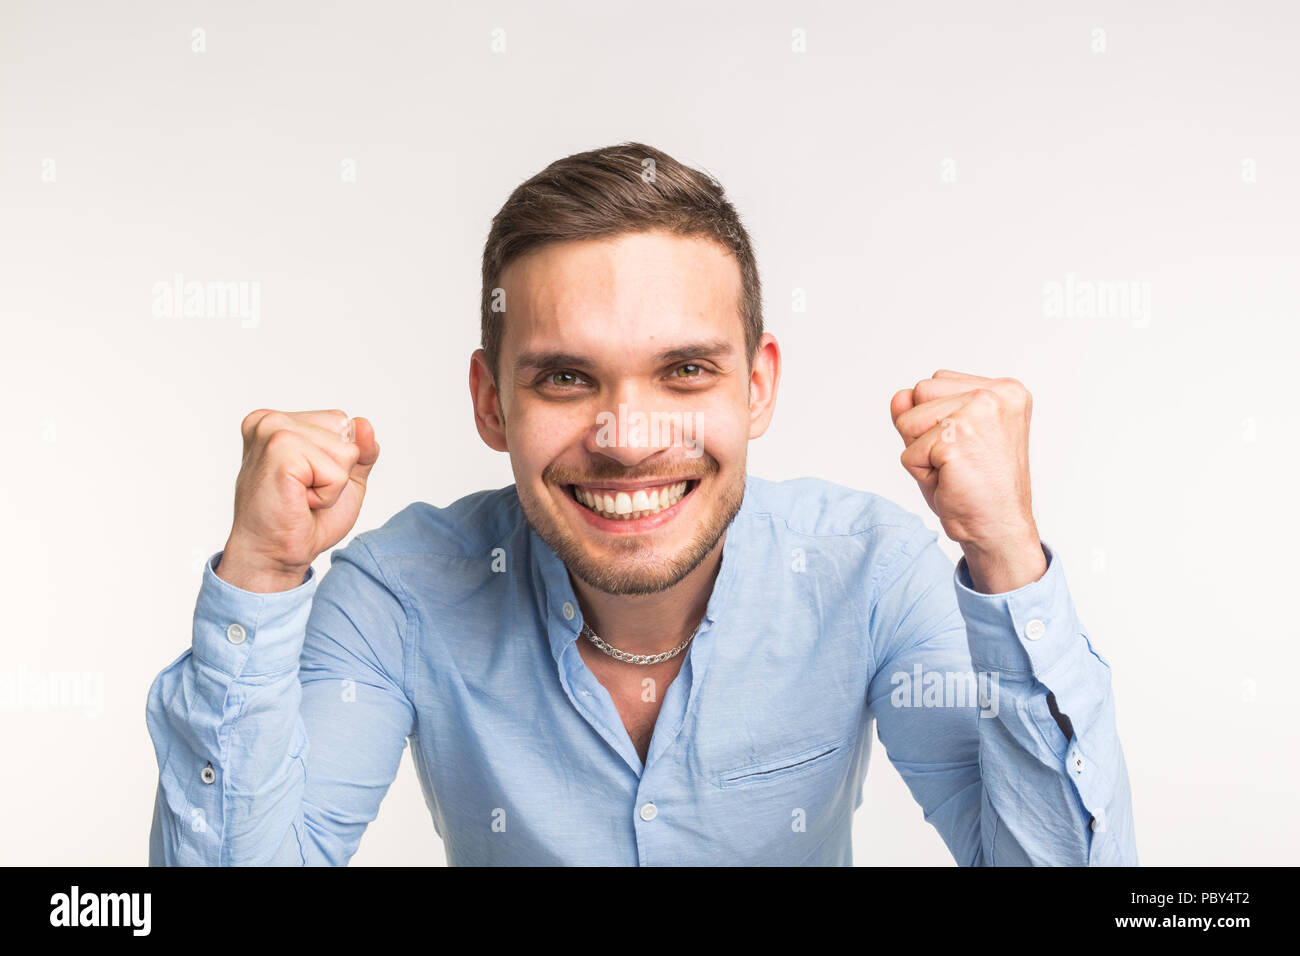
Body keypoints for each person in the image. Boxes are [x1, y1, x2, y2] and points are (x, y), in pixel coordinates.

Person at [146, 142, 1136, 865]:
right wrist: (262, 576)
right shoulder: (399, 594)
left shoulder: (869, 572)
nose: (629, 435)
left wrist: (1006, 554)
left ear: (756, 387)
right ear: (492, 402)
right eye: (568, 378)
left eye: (684, 371)